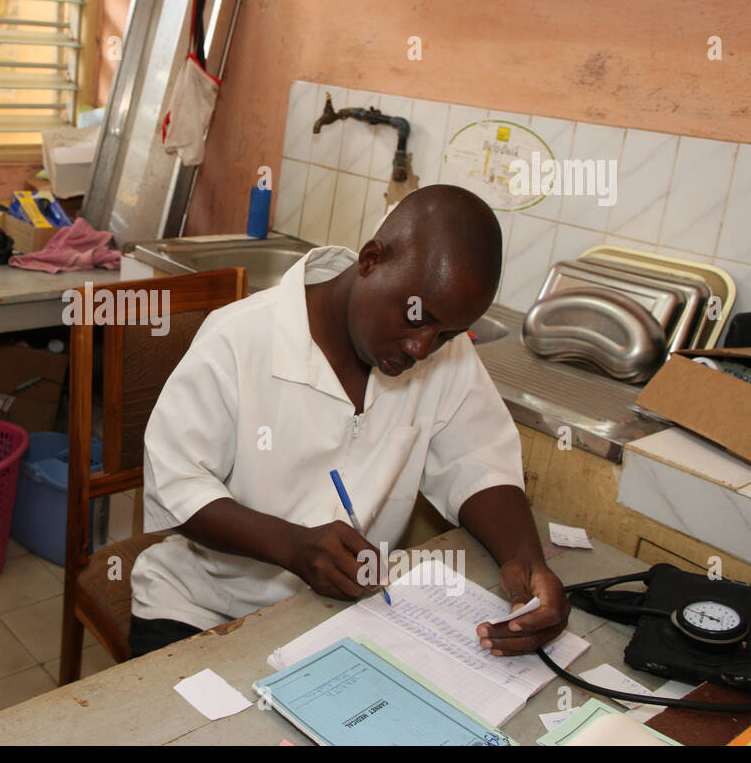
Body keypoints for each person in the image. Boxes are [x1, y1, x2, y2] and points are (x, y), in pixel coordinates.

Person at [128, 185, 570, 658]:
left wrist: (526, 561)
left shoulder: (445, 355)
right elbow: (176, 483)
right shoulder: (239, 339)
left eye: (447, 333)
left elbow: (477, 459)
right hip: (205, 611)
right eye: (416, 317)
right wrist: (293, 547)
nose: (422, 349)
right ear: (371, 260)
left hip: (343, 614)